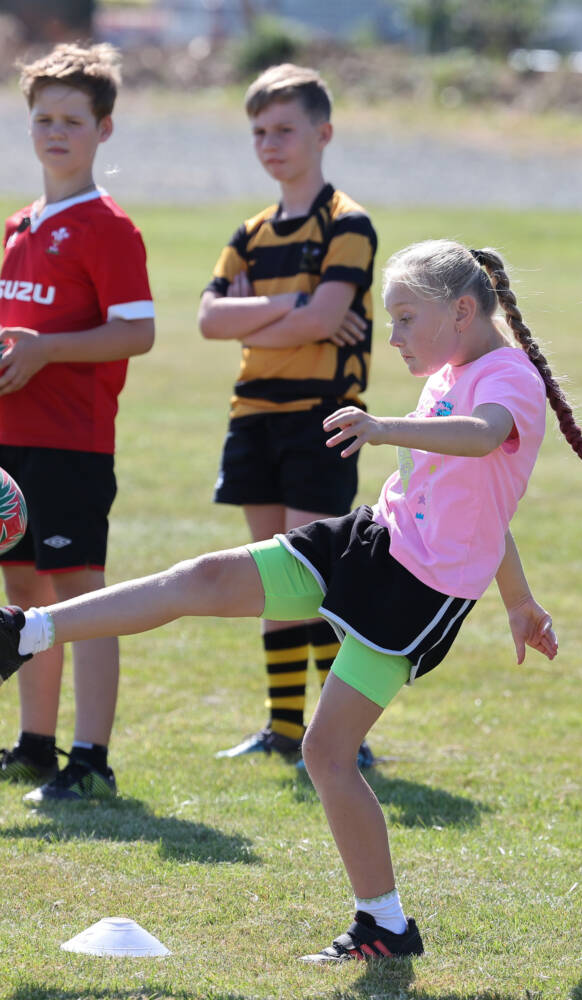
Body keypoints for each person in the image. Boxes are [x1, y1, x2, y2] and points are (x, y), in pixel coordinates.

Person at [0, 240, 582, 961]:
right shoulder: (444, 375)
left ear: (462, 313)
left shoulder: (504, 378)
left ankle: (384, 922)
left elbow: (482, 441)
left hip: (418, 594)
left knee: (325, 753)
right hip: (367, 540)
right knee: (202, 577)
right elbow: (481, 509)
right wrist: (520, 600)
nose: (395, 336)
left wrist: (384, 428)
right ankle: (22, 631)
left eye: (406, 319)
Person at [0, 43, 155, 804]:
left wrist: (47, 351)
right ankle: (36, 748)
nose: (55, 132)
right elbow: (14, 343)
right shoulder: (19, 223)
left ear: (104, 129)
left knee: (80, 594)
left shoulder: (108, 227)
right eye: (43, 118)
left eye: (72, 119)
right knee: (23, 588)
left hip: (73, 440)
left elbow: (137, 332)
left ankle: (90, 760)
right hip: (6, 434)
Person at [195, 64, 378, 765]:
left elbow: (331, 315)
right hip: (254, 417)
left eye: (285, 130)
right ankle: (281, 729)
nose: (270, 144)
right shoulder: (249, 232)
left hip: (324, 417)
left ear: (322, 133)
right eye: (259, 133)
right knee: (276, 577)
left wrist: (264, 317)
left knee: (312, 576)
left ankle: (340, 740)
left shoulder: (348, 223)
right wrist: (292, 311)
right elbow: (210, 321)